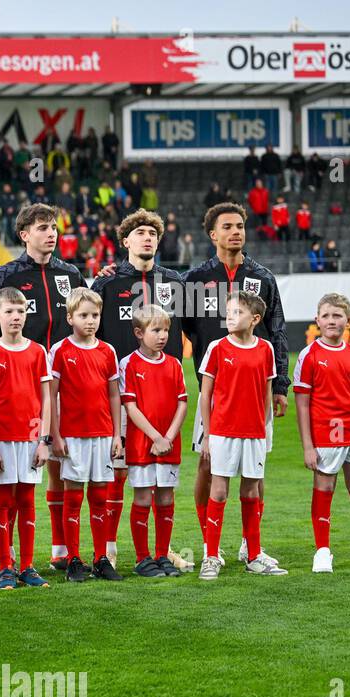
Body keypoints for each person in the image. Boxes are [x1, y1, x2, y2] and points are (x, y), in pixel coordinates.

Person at [183, 202, 289, 567]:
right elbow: (180, 327)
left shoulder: (261, 278)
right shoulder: (196, 280)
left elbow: (276, 331)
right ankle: (209, 542)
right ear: (213, 234)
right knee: (206, 465)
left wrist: (281, 385)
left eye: (240, 226)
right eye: (227, 226)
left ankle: (250, 544)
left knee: (254, 472)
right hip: (214, 392)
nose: (236, 232)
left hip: (254, 391)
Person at [0, 204, 87, 571]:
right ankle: (8, 561)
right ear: (24, 234)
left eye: (54, 227)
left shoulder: (70, 273)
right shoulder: (3, 275)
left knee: (62, 467)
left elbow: (87, 316)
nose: (52, 233)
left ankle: (60, 549)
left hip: (67, 385)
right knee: (19, 478)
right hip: (22, 391)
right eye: (43, 227)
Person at [89, 209, 189, 571]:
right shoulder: (107, 282)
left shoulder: (177, 283)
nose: (148, 238)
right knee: (117, 475)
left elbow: (196, 328)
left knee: (161, 481)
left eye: (153, 233)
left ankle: (161, 552)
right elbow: (89, 331)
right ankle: (111, 548)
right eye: (140, 233)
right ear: (125, 241)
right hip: (119, 397)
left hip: (163, 395)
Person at [293, 293, 350, 573]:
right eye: (326, 316)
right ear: (317, 320)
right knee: (324, 488)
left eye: (337, 316)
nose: (331, 321)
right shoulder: (309, 355)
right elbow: (302, 404)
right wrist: (307, 446)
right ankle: (322, 551)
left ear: (349, 321)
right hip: (325, 435)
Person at [197, 291, 286, 579]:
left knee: (250, 491)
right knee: (220, 490)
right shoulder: (217, 347)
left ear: (255, 319)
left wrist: (265, 429)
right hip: (223, 431)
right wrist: (208, 434)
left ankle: (254, 555)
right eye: (229, 312)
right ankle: (211, 556)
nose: (230, 317)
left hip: (255, 432)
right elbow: (205, 393)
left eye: (237, 312)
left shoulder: (265, 350)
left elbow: (266, 392)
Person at [0, 287, 52, 590]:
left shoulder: (38, 352)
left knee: (27, 499)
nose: (15, 317)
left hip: (32, 437)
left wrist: (43, 441)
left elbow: (46, 399)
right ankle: (6, 565)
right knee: (4, 499)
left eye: (20, 311)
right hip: (4, 438)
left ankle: (28, 565)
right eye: (9, 311)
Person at [48, 288, 123, 584]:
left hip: (103, 434)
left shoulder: (108, 351)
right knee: (74, 496)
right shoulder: (60, 351)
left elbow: (114, 395)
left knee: (100, 496)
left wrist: (118, 435)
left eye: (94, 315)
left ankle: (101, 558)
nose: (90, 321)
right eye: (83, 315)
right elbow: (50, 397)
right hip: (74, 435)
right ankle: (74, 559)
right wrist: (55, 434)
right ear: (70, 318)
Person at [119, 306, 189, 578]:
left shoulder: (174, 363)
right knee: (143, 496)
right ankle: (142, 558)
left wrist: (168, 437)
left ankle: (162, 555)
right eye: (156, 330)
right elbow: (131, 406)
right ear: (139, 332)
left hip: (169, 444)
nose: (163, 336)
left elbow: (182, 403)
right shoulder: (129, 364)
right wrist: (156, 437)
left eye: (166, 330)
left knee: (166, 496)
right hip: (142, 445)